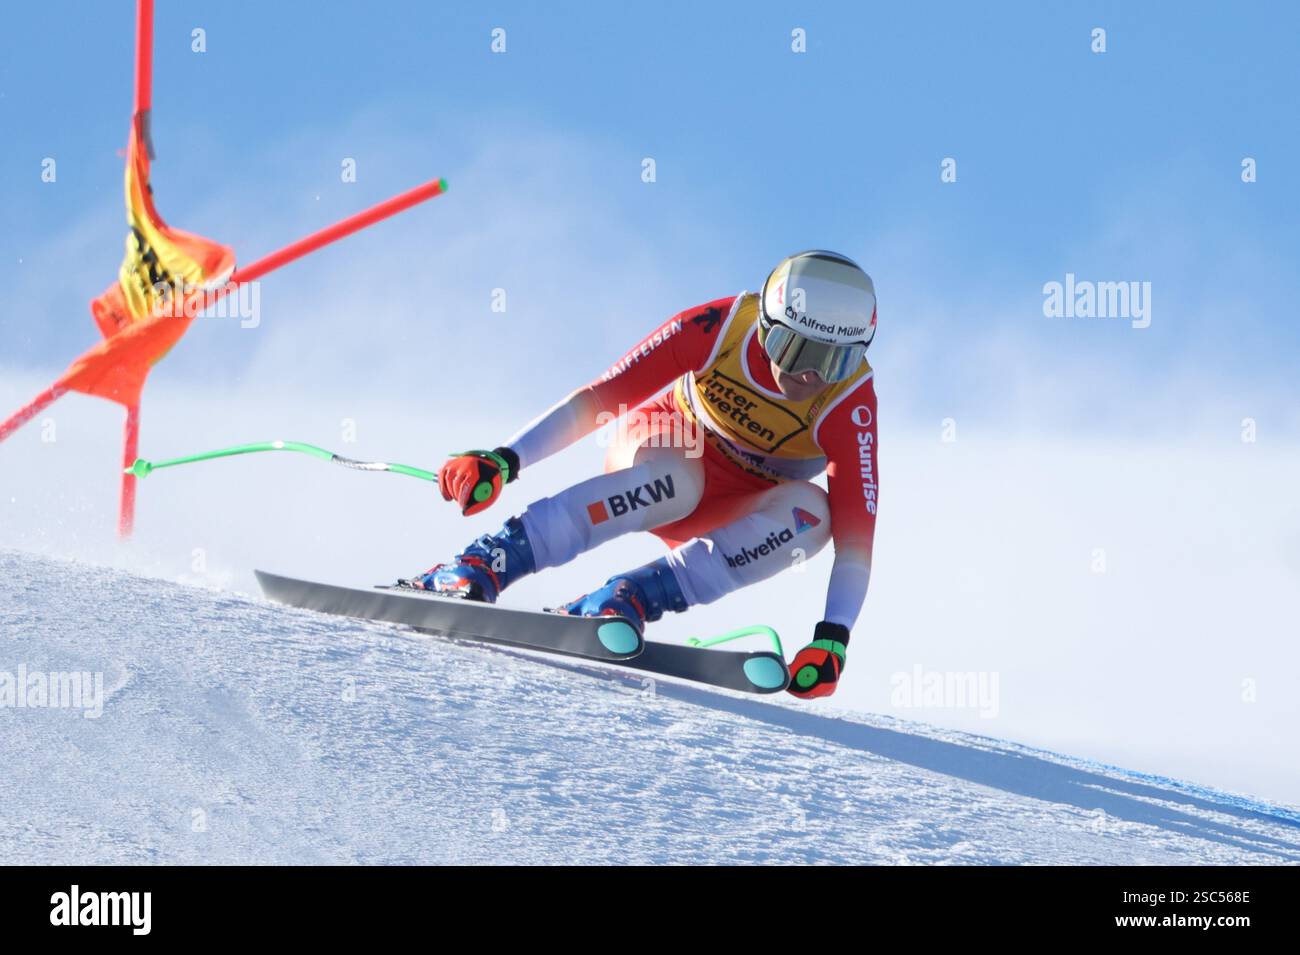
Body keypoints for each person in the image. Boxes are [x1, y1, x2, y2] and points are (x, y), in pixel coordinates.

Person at [409, 250, 879, 699]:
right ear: (765, 325)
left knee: (812, 517)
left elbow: (857, 542)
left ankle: (629, 597)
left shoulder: (849, 401)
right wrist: (505, 459)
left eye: (833, 360)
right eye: (793, 349)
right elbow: (600, 397)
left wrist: (834, 638)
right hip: (663, 451)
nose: (810, 377)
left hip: (731, 509)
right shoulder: (720, 329)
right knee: (678, 482)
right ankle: (486, 561)